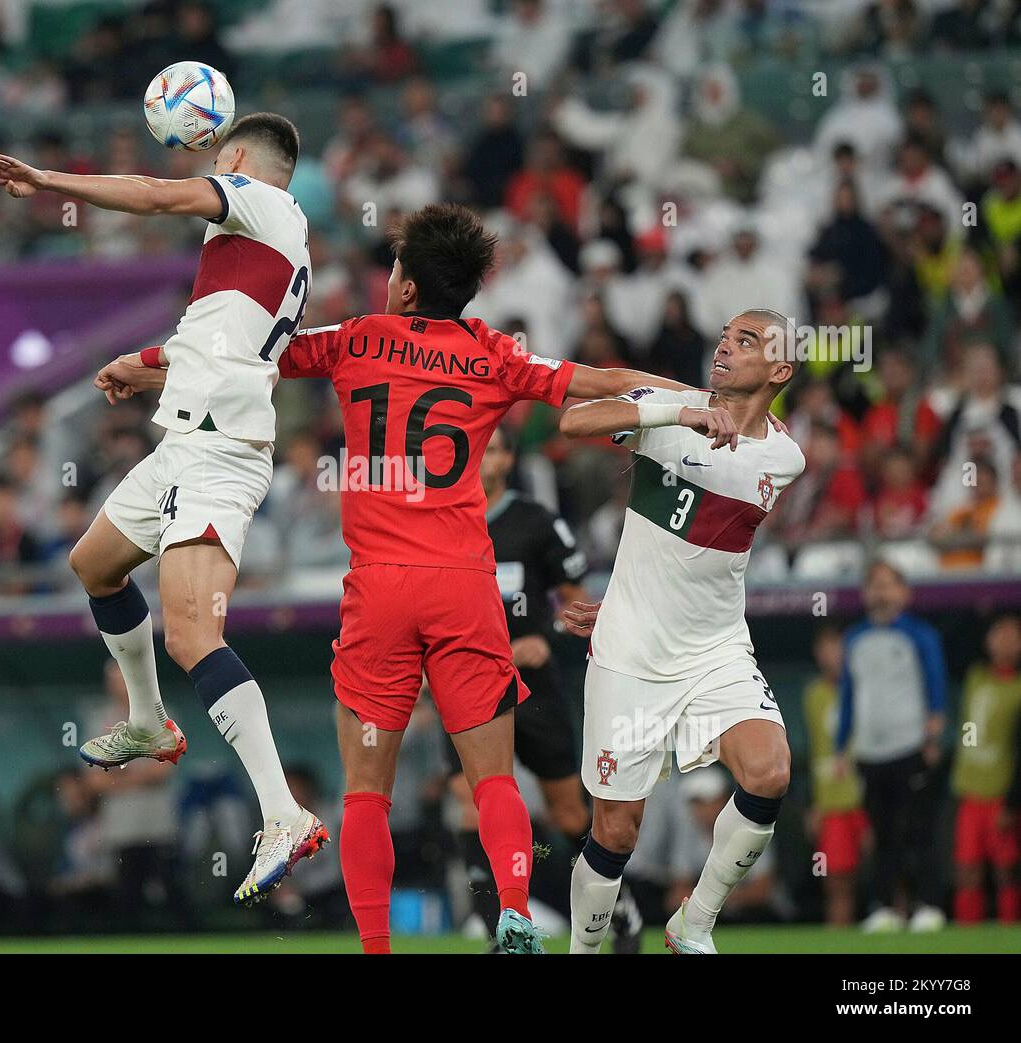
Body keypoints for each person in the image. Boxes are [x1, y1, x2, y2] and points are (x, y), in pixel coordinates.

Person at [240, 203, 693, 953]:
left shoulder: (355, 340)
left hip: (379, 589)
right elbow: (596, 382)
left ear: (409, 288)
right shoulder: (493, 354)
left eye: (393, 270)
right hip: (463, 585)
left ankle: (377, 948)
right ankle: (515, 910)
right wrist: (696, 401)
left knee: (365, 791)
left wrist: (148, 362)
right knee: (493, 780)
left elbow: (252, 357)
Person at [0, 113, 329, 908]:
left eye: (214, 153)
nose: (206, 164)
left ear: (236, 159)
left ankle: (283, 811)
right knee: (93, 563)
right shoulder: (259, 245)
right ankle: (150, 720)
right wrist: (149, 362)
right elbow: (225, 341)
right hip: (181, 442)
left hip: (221, 452)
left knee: (195, 633)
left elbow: (152, 196)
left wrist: (48, 180)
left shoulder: (258, 203)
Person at [558, 308, 805, 954]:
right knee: (616, 832)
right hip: (631, 652)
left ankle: (693, 922)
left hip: (716, 649)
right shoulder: (669, 407)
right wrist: (675, 414)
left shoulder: (785, 458)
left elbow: (700, 539)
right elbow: (573, 420)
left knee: (770, 770)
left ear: (779, 369)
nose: (725, 346)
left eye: (745, 341)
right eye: (725, 336)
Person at [444, 424, 642, 953]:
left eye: (493, 448)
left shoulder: (535, 522)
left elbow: (579, 604)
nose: (482, 458)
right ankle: (500, 934)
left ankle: (620, 911)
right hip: (466, 685)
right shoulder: (441, 521)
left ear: (508, 460)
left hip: (532, 688)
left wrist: (547, 637)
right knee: (471, 803)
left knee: (570, 813)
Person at [837, 560, 948, 933]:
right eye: (874, 585)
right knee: (881, 836)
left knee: (917, 831)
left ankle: (927, 905)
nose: (880, 592)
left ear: (904, 592)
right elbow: (849, 696)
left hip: (910, 747)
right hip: (869, 753)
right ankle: (884, 907)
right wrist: (841, 748)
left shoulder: (920, 635)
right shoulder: (853, 639)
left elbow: (936, 686)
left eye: (888, 585)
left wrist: (933, 735)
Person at [951, 615, 1021, 924]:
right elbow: (957, 639)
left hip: (1000, 793)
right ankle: (968, 936)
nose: (1005, 641)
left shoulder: (1018, 688)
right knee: (967, 870)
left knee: (1006, 870)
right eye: (999, 633)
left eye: (1012, 636)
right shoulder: (975, 675)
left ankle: (1009, 933)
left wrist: (1012, 801)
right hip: (969, 792)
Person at [802, 626, 867, 927]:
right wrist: (814, 803)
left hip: (868, 796)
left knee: (888, 872)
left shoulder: (867, 688)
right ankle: (839, 940)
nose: (832, 655)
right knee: (836, 880)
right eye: (825, 648)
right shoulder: (813, 695)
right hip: (832, 804)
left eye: (838, 647)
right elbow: (815, 752)